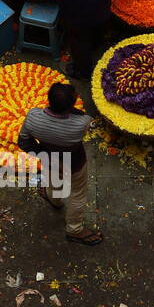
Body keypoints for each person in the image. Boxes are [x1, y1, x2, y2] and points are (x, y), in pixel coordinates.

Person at [18, 81, 101, 246]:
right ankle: (74, 229)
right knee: (78, 193)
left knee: (53, 181)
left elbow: (23, 141)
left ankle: (54, 201)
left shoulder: (33, 116)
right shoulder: (81, 123)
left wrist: (43, 153)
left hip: (50, 159)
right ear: (70, 106)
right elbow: (88, 121)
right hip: (74, 163)